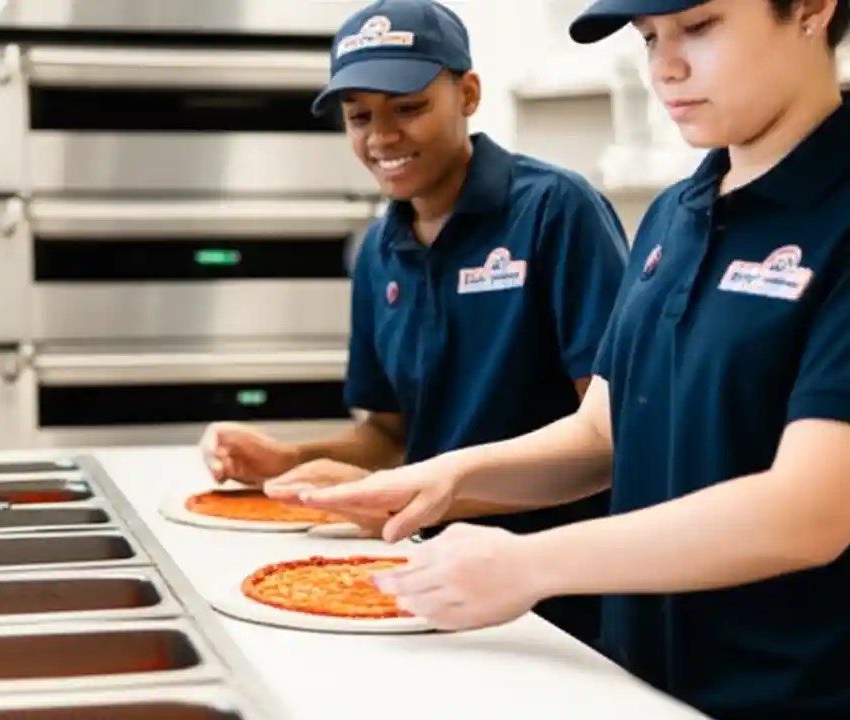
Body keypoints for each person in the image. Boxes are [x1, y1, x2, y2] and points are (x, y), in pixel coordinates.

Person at [289, 0, 850, 717]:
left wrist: (530, 564)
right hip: (629, 683)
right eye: (650, 38)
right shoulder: (675, 216)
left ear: (809, 8)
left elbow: (810, 512)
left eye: (700, 28)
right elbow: (600, 437)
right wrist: (440, 481)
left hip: (785, 692)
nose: (664, 67)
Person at [198, 0, 630, 647]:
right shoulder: (379, 249)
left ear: (469, 93)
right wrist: (287, 459)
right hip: (422, 572)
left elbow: (605, 439)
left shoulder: (554, 210)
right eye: (359, 117)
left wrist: (394, 492)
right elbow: (390, 434)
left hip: (554, 591)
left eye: (408, 108)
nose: (382, 137)